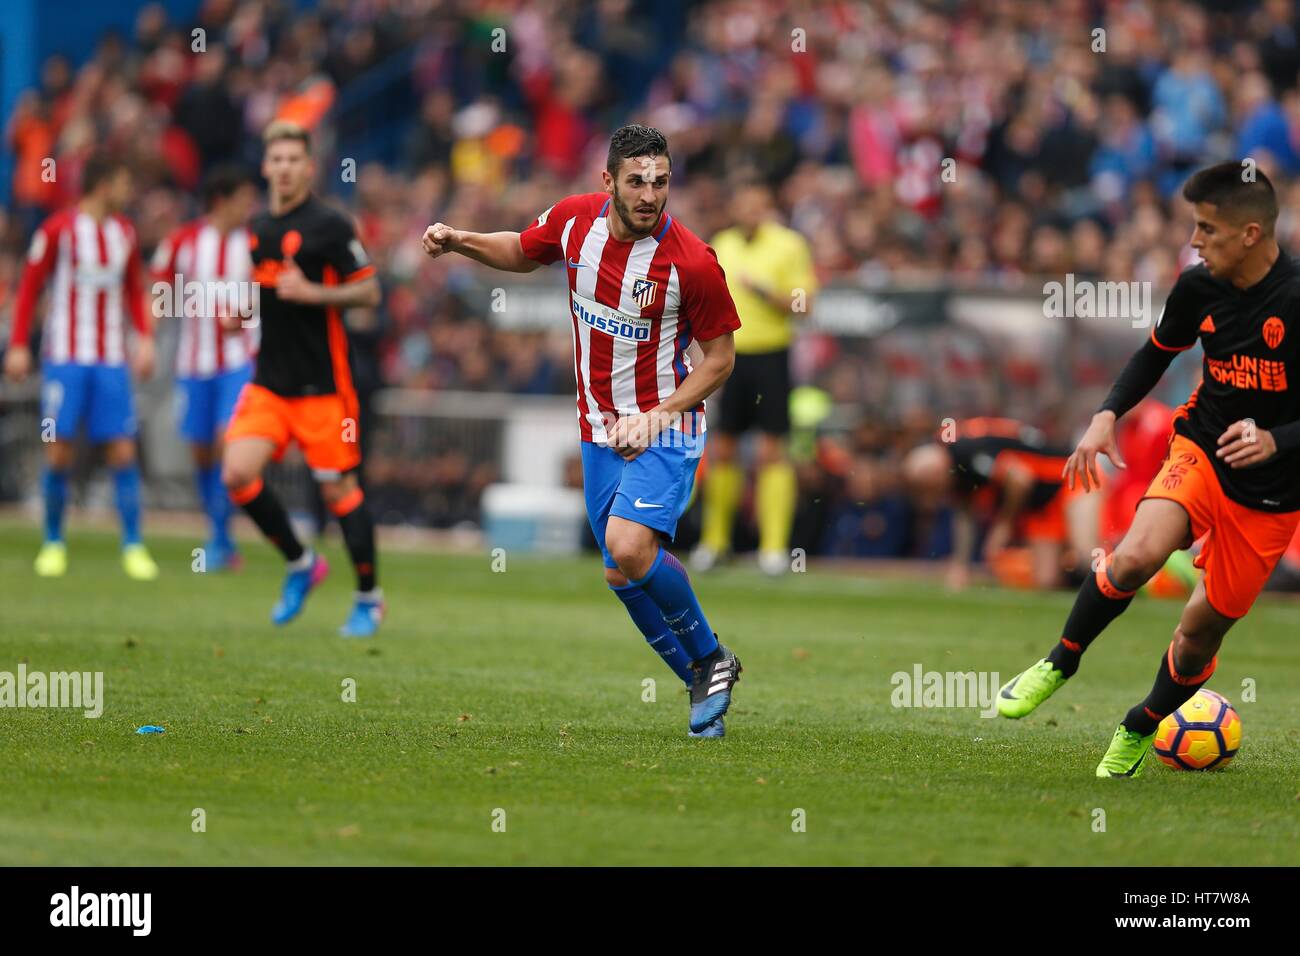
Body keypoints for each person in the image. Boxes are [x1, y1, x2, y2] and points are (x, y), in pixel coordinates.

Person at [421, 124, 744, 737]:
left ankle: (710, 659)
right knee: (619, 571)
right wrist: (460, 240)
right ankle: (703, 696)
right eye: (637, 181)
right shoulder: (575, 222)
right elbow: (521, 249)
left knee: (629, 546)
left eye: (661, 182)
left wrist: (657, 416)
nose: (650, 195)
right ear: (608, 182)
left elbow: (721, 360)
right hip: (598, 430)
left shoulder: (693, 263)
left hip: (664, 428)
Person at [997, 163, 1300, 777]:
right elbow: (1155, 353)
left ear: (1248, 234)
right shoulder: (1198, 287)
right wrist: (1108, 414)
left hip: (1272, 496)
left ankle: (1140, 725)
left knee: (1197, 635)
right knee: (1134, 556)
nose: (1193, 241)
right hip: (1201, 449)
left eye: (1205, 229)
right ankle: (1060, 660)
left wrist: (1276, 440)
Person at [221, 121, 384, 636]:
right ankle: (300, 562)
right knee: (236, 474)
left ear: (309, 167)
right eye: (277, 159)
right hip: (270, 382)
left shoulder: (332, 226)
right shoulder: (258, 229)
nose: (285, 168)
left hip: (324, 388)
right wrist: (241, 313)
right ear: (266, 167)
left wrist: (316, 294)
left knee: (340, 492)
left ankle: (367, 598)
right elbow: (267, 293)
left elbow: (370, 293)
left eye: (295, 159)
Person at [4, 151, 159, 580]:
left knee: (123, 450)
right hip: (65, 359)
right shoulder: (59, 230)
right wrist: (19, 344)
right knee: (58, 450)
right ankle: (54, 542)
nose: (129, 193)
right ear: (104, 184)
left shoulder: (124, 232)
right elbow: (31, 285)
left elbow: (133, 291)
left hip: (110, 359)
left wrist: (144, 339)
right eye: (125, 183)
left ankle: (133, 545)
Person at [692, 179, 817, 576]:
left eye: (756, 204)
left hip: (771, 355)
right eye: (742, 204)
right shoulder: (721, 244)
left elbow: (803, 304)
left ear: (767, 207)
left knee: (771, 451)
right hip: (728, 356)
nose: (749, 211)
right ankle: (715, 543)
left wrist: (767, 294)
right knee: (724, 447)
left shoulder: (789, 245)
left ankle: (773, 549)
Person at [152, 165, 259, 571]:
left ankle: (220, 540)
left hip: (238, 362)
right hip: (193, 362)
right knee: (200, 451)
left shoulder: (253, 242)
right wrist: (147, 338)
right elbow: (159, 291)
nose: (250, 207)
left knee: (225, 442)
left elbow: (268, 290)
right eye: (243, 199)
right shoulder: (184, 243)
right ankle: (219, 534)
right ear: (221, 200)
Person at [902, 418, 1099, 591]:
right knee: (1046, 580)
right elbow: (965, 515)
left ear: (934, 472)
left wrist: (1003, 525)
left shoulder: (965, 450)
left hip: (1072, 476)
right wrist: (961, 565)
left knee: (1086, 553)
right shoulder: (955, 467)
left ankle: (1122, 578)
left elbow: (1020, 478)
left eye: (928, 487)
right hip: (1041, 503)